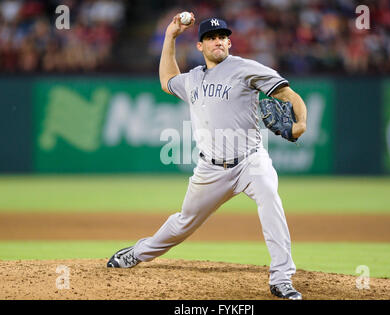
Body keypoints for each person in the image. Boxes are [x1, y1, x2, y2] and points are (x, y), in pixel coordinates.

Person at [107, 13, 307, 300]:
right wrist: (170, 36)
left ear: (229, 42)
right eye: (211, 38)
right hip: (211, 169)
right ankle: (137, 252)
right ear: (200, 46)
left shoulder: (246, 68)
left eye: (222, 37)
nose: (218, 41)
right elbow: (167, 80)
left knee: (270, 200)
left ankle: (281, 278)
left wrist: (300, 125)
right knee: (183, 223)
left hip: (251, 161)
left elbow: (291, 96)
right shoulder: (194, 79)